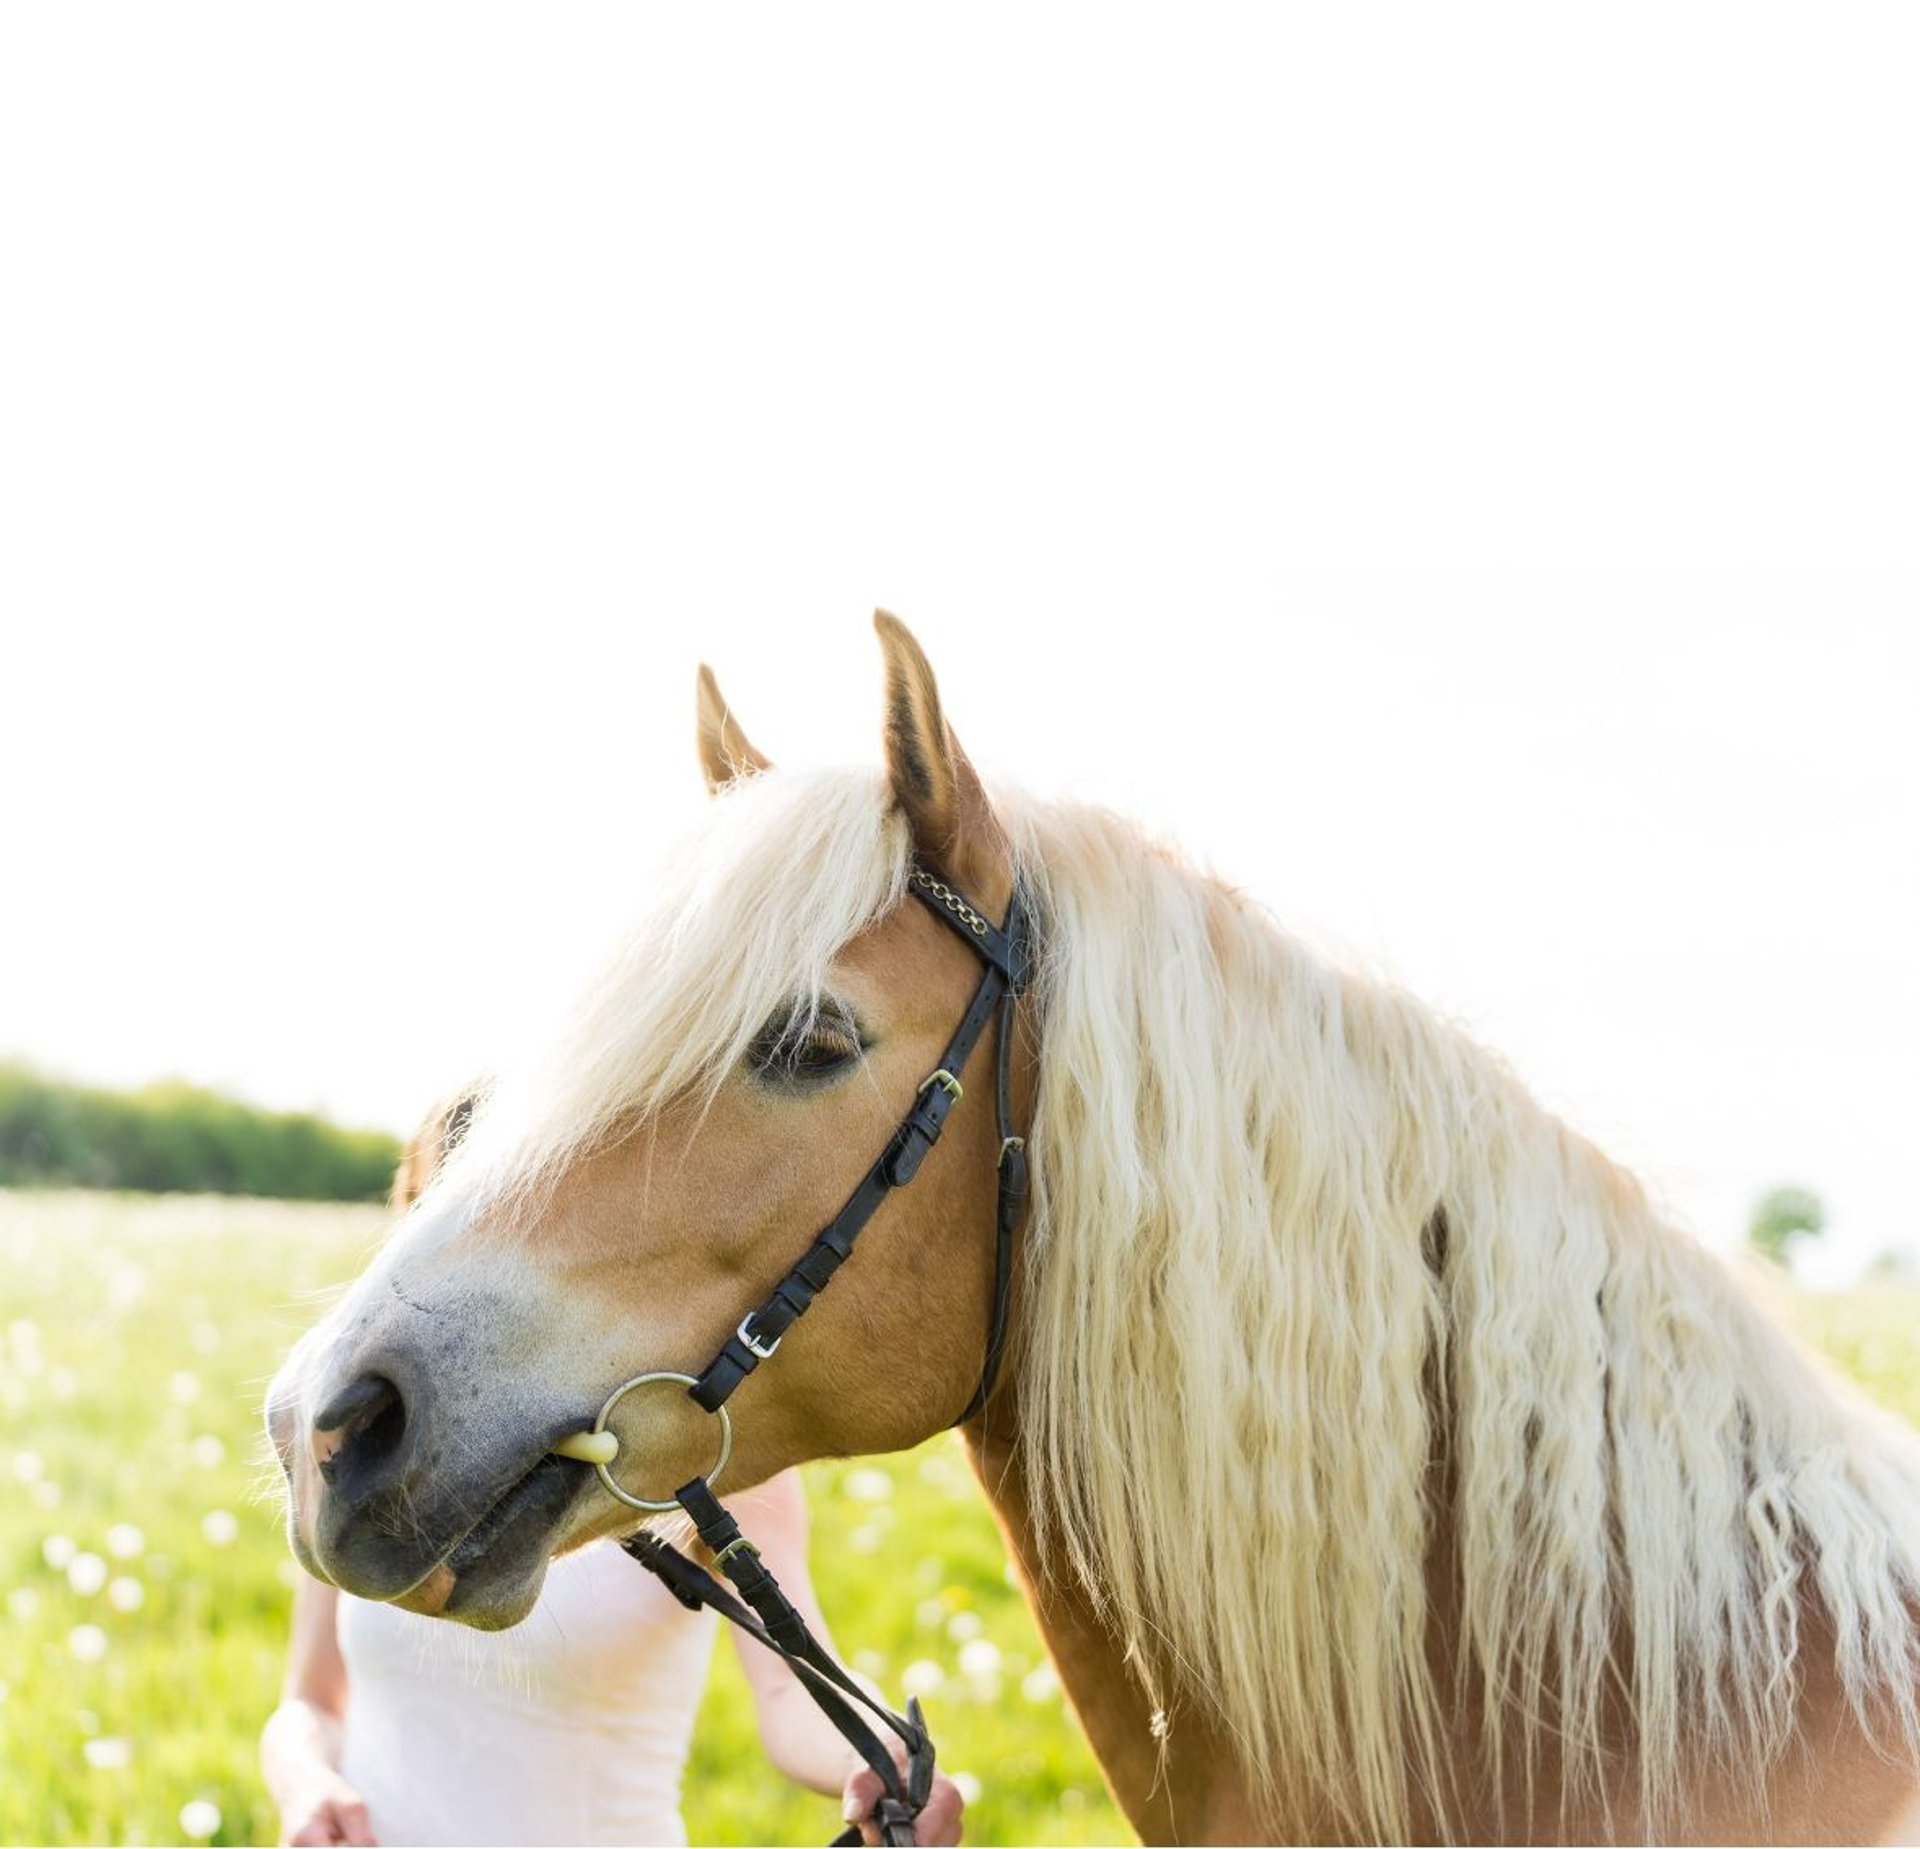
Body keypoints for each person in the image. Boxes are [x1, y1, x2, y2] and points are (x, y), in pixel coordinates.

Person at [261, 1092, 964, 1847]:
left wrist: (883, 1757)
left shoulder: (700, 1441)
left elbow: (792, 1687)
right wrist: (307, 1783)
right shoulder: (379, 1445)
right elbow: (311, 1698)